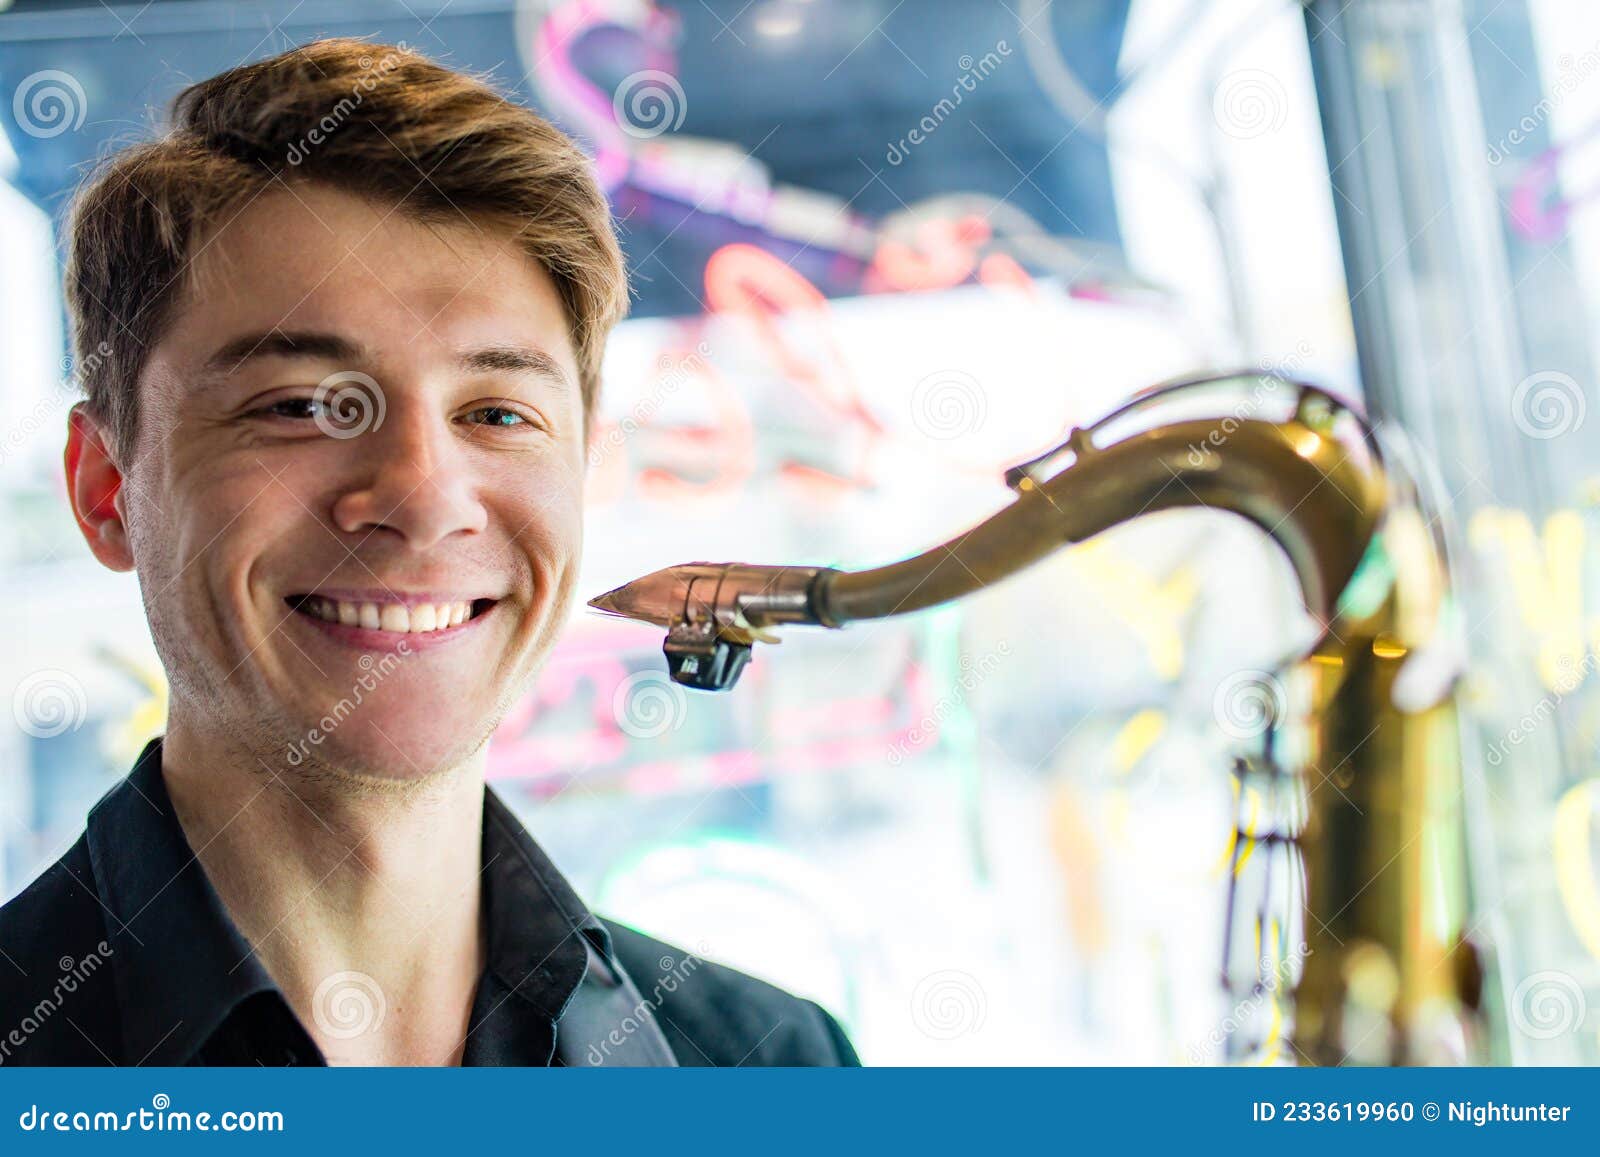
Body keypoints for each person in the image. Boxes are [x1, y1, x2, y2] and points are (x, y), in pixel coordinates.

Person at [0, 38, 857, 1068]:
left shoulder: (775, 1063)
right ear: (105, 491)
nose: (422, 498)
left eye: (496, 412)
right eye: (301, 407)